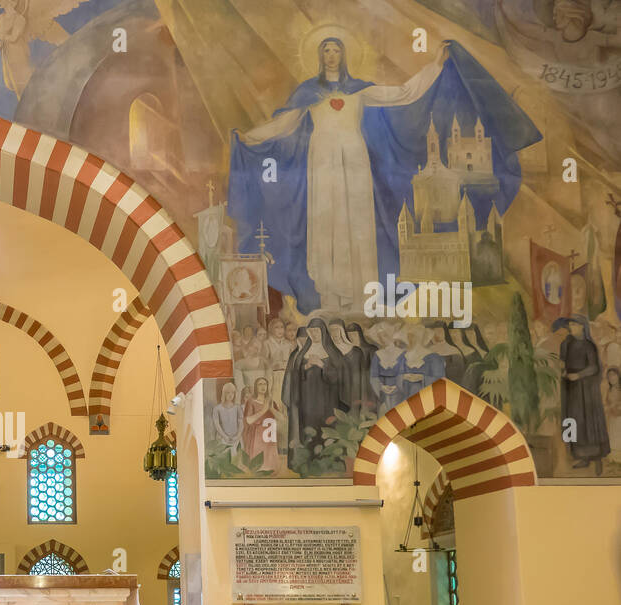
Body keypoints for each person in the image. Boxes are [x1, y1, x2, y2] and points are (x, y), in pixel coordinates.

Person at [230, 36, 539, 313]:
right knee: (328, 222)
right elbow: (285, 124)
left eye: (336, 49)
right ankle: (332, 296)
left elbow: (403, 94)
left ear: (344, 55)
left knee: (356, 221)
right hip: (321, 158)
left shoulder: (360, 90)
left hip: (354, 155)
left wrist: (434, 66)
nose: (331, 54)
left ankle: (361, 294)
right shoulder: (308, 92)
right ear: (319, 57)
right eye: (326, 50)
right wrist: (251, 138)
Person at [284, 317, 347, 455]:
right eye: (311, 332)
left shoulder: (333, 352)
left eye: (316, 331)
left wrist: (321, 364)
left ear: (323, 332)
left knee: (326, 426)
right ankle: (309, 457)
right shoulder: (302, 353)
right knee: (308, 426)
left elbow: (340, 376)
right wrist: (306, 366)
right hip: (307, 399)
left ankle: (327, 459)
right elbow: (295, 375)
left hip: (327, 400)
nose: (313, 335)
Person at [557, 315, 610, 474]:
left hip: (586, 391)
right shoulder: (566, 343)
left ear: (582, 327)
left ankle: (596, 457)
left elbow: (594, 368)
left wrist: (579, 375)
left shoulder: (588, 346)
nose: (571, 328)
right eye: (570, 325)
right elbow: (562, 361)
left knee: (589, 422)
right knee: (573, 421)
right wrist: (563, 370)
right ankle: (580, 456)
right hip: (571, 389)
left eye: (574, 325)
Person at [242, 376, 281, 472]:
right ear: (256, 387)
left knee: (270, 467)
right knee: (258, 466)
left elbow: (281, 418)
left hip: (270, 436)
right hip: (257, 436)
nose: (263, 386)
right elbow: (248, 420)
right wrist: (263, 410)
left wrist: (271, 408)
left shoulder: (271, 402)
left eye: (265, 384)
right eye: (260, 384)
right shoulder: (251, 402)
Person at [212, 381, 244, 458]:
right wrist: (225, 436)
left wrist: (238, 436)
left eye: (232, 393)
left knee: (236, 458)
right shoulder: (217, 408)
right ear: (224, 394)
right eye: (228, 393)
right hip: (223, 439)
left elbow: (241, 423)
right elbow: (217, 424)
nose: (230, 395)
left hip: (236, 438)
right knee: (224, 458)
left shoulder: (237, 407)